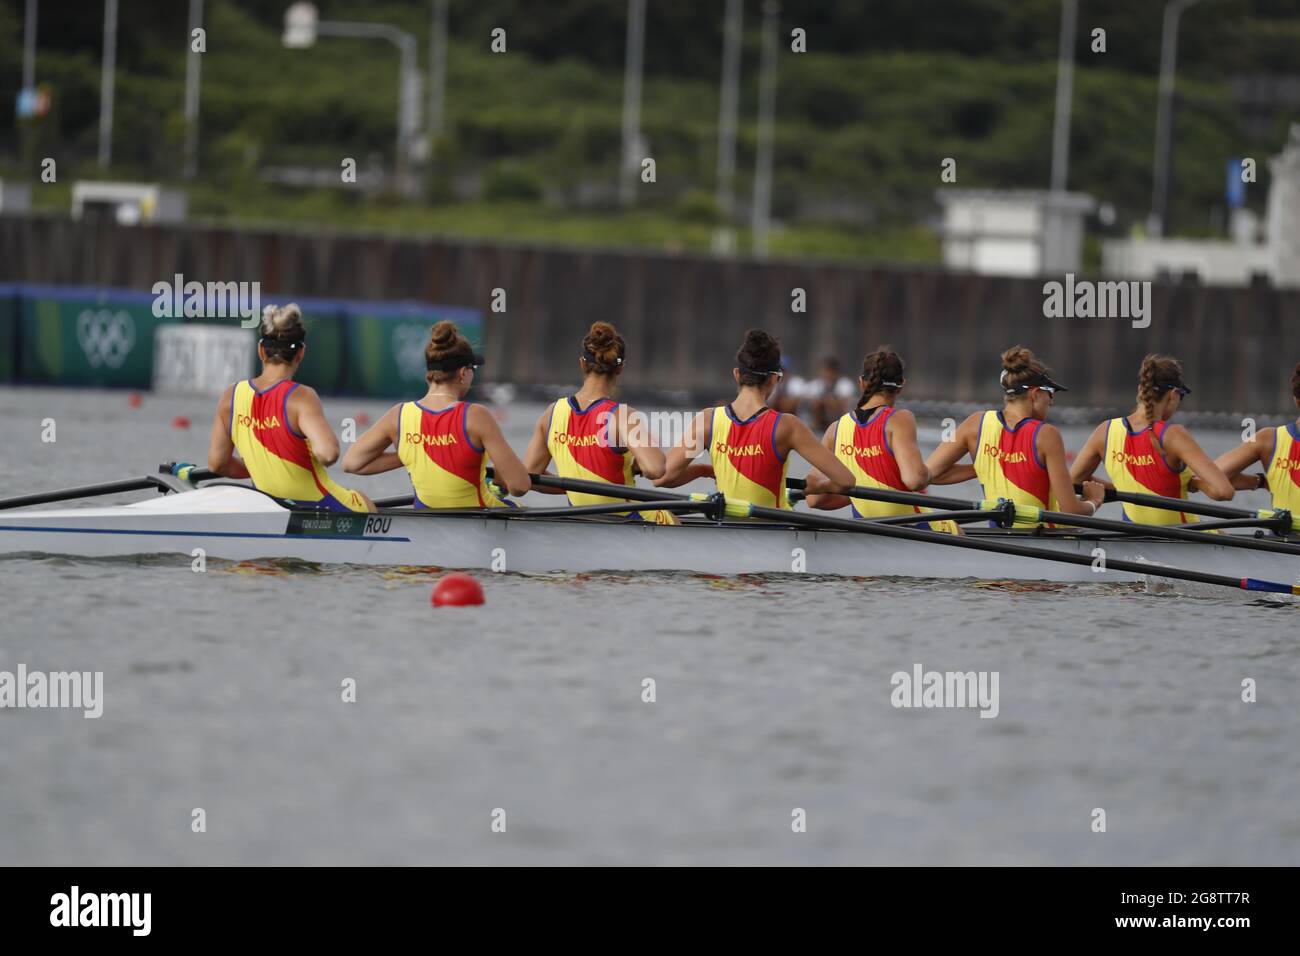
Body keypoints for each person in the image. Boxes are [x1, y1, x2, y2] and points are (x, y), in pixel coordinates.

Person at [655, 329, 855, 506]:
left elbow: (662, 479)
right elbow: (846, 480)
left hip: (725, 532)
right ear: (774, 378)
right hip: (774, 535)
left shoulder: (707, 420)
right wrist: (820, 485)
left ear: (736, 374)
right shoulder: (789, 426)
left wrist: (704, 471)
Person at [206, 303, 375, 512]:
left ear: (261, 350)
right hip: (318, 504)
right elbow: (329, 454)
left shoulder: (230, 397)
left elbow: (217, 464)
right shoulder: (302, 397)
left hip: (266, 507)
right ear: (301, 353)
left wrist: (264, 467)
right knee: (366, 502)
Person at [341, 321, 529, 507]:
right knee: (514, 505)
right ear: (463, 373)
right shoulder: (477, 416)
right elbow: (519, 486)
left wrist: (413, 452)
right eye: (473, 369)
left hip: (427, 520)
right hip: (478, 516)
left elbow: (352, 463)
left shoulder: (398, 415)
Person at [924, 345, 1103, 526]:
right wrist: (1093, 501)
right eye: (1051, 393)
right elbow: (1070, 510)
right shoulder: (1047, 434)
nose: (1052, 402)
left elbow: (928, 474)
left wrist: (986, 464)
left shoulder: (974, 423)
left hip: (998, 538)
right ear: (1035, 394)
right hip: (1047, 540)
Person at [522, 321, 677, 523]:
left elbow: (528, 477)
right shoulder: (622, 416)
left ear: (582, 363)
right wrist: (638, 465)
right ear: (620, 368)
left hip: (583, 521)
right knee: (674, 520)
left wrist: (576, 485)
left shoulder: (551, 414)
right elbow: (655, 469)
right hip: (627, 520)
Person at [804, 347, 959, 533]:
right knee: (959, 530)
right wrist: (935, 471)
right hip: (915, 528)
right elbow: (915, 480)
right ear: (901, 385)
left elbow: (813, 499)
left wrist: (862, 493)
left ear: (861, 383)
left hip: (868, 532)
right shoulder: (900, 419)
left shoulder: (834, 430)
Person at [1069, 354, 1233, 523]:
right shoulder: (1174, 435)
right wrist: (1194, 484)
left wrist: (1124, 488)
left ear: (1141, 390)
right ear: (1174, 394)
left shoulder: (1105, 431)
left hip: (1134, 540)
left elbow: (1074, 480)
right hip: (1181, 540)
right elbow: (1223, 492)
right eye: (1181, 397)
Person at [1214, 361, 1300, 517]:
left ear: (1295, 398)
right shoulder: (1268, 440)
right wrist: (1260, 481)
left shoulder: (1267, 440)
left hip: (1278, 541)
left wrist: (1260, 482)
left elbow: (1210, 476)